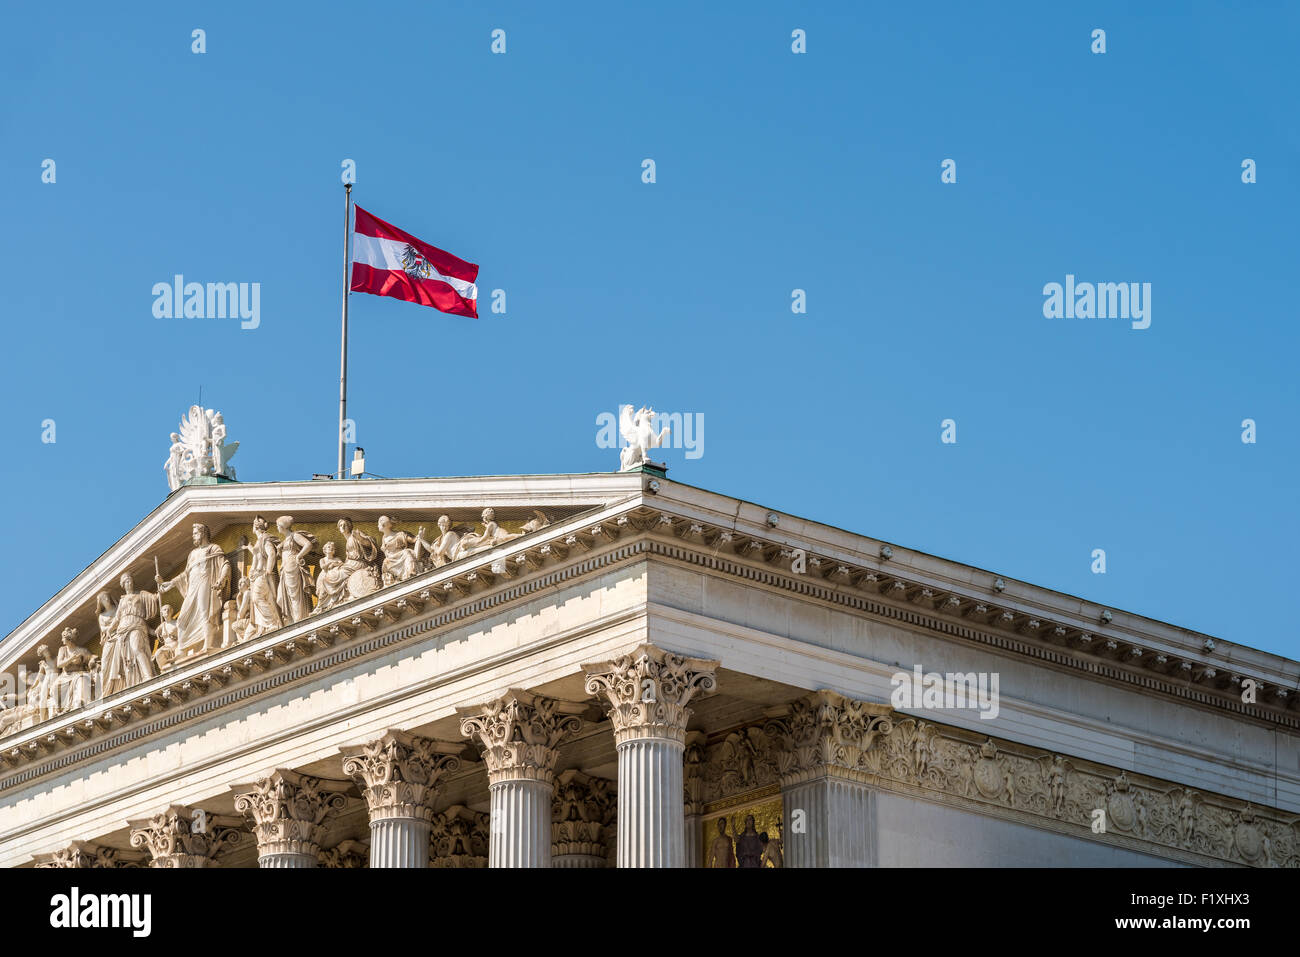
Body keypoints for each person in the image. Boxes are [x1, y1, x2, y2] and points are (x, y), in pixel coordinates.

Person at [157, 523, 231, 657]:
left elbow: (224, 564)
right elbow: (185, 575)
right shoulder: (192, 554)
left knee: (205, 613)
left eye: (196, 533)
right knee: (182, 618)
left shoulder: (213, 548)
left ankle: (207, 645)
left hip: (206, 583)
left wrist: (221, 579)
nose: (193, 536)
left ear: (203, 533)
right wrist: (169, 584)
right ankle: (182, 650)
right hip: (193, 587)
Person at [274, 516, 316, 623]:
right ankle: (293, 619)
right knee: (285, 595)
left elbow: (308, 544)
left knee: (295, 594)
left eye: (278, 525)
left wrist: (298, 556)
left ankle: (299, 618)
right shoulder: (285, 541)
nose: (277, 527)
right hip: (285, 568)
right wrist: (279, 550)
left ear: (283, 526)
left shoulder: (294, 536)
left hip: (293, 567)